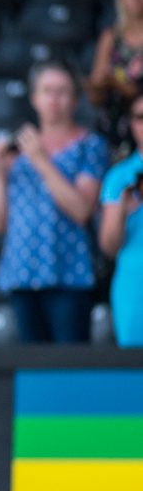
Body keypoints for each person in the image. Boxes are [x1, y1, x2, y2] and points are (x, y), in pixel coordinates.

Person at [0, 62, 109, 344]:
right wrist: (0, 174)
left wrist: (41, 161)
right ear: (34, 98)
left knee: (69, 367)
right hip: (22, 272)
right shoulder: (19, 148)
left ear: (75, 99)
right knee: (32, 369)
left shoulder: (89, 145)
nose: (54, 100)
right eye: (47, 91)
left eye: (62, 92)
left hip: (68, 273)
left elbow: (81, 210)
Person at [99, 99, 143, 345]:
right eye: (140, 117)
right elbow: (109, 247)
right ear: (131, 124)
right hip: (135, 284)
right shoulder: (120, 176)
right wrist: (121, 212)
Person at [87, 0, 143, 149]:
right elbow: (95, 96)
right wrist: (96, 85)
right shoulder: (110, 37)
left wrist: (116, 83)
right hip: (112, 130)